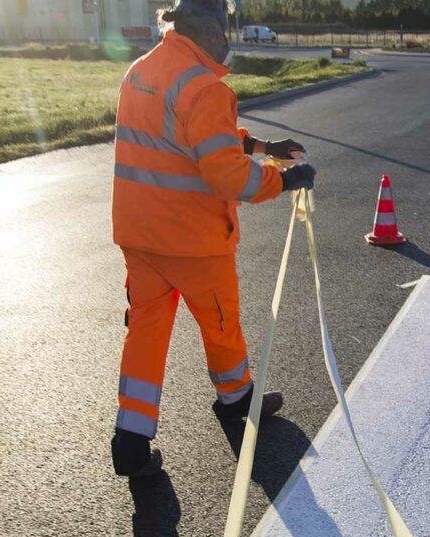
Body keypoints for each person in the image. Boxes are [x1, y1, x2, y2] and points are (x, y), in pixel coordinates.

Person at [110, 0, 316, 478]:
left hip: (139, 235)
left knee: (146, 331)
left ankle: (131, 441)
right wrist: (282, 179)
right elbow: (225, 174)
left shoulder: (142, 70)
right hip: (193, 240)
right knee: (221, 324)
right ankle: (236, 399)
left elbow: (187, 135)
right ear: (211, 30)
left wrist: (262, 146)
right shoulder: (203, 87)